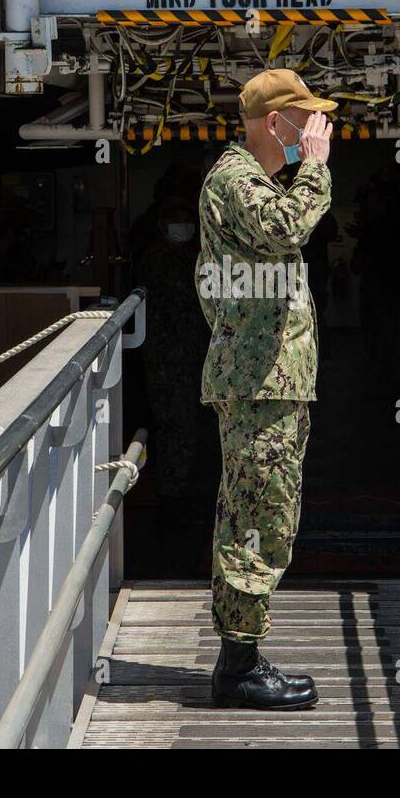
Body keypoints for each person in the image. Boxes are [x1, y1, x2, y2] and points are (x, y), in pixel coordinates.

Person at [194, 68, 335, 710]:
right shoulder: (235, 180)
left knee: (265, 507)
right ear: (276, 123)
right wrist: (317, 166)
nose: (314, 128)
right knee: (256, 514)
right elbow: (286, 227)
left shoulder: (251, 180)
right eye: (305, 119)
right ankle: (239, 665)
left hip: (272, 380)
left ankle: (243, 655)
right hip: (258, 382)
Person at [137, 195, 217, 569]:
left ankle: (181, 501)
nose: (181, 227)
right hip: (170, 361)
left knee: (188, 428)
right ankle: (171, 504)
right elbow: (195, 293)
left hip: (190, 357)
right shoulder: (159, 258)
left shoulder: (188, 255)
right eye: (174, 220)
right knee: (176, 429)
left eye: (187, 220)